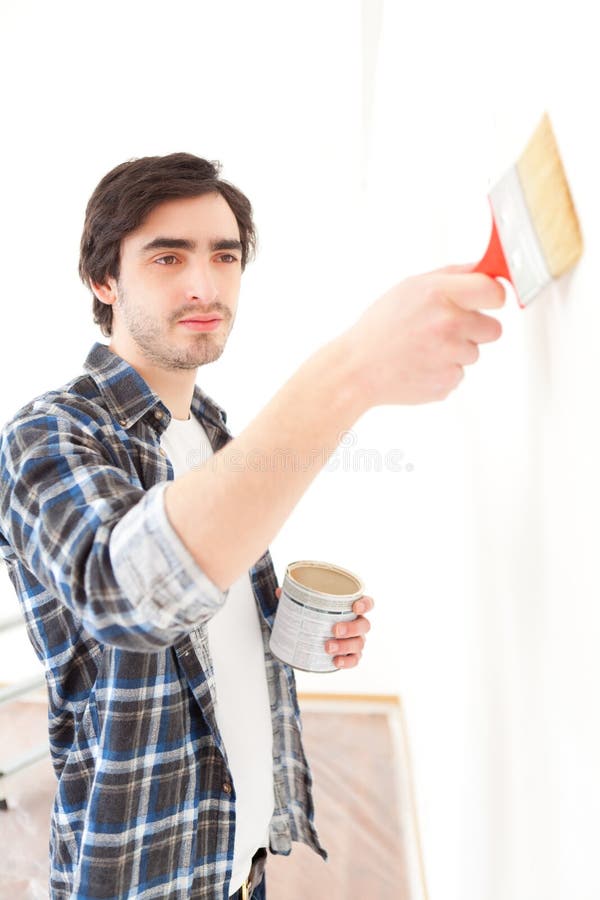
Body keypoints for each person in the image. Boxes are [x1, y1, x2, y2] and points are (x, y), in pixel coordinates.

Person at [0, 153, 504, 899]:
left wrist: (287, 629)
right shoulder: (48, 436)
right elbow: (127, 597)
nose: (205, 285)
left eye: (224, 256)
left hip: (237, 864)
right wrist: (352, 371)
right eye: (167, 256)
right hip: (139, 874)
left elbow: (205, 624)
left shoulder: (210, 428)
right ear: (106, 282)